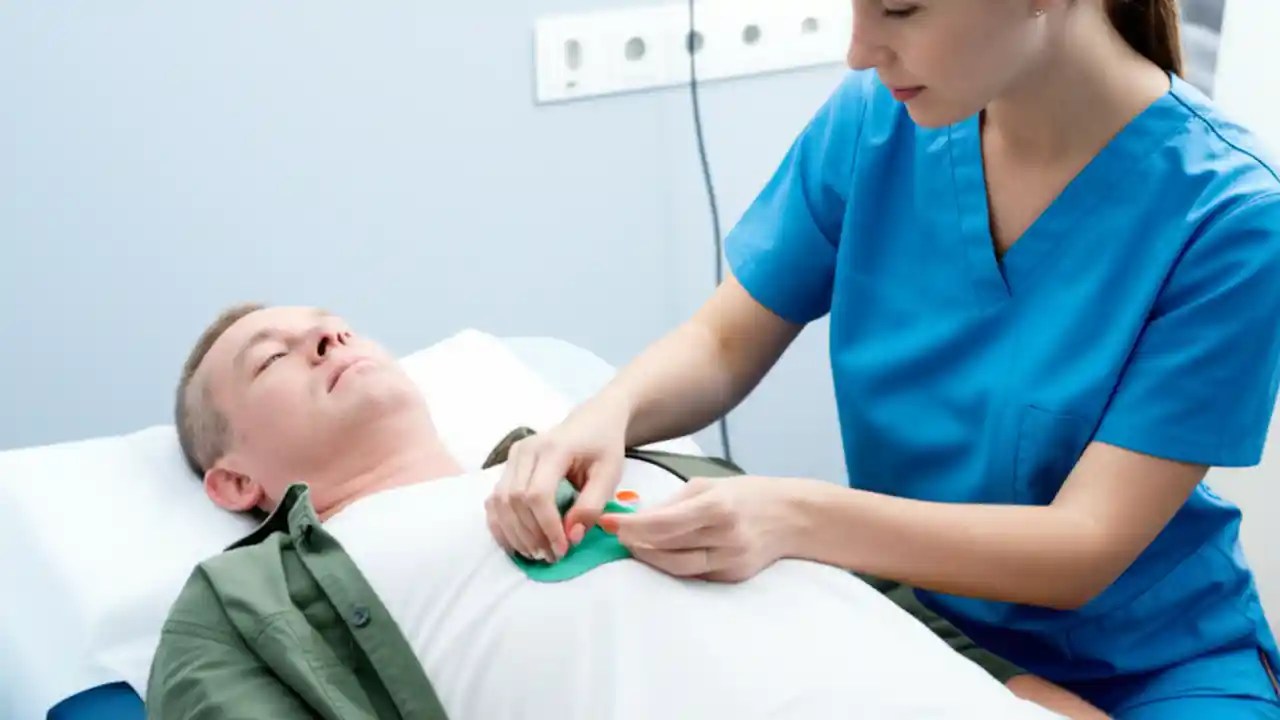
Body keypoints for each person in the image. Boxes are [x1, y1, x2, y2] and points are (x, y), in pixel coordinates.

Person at [485, 1, 1280, 718]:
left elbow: (1082, 546)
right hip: (918, 627)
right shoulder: (875, 123)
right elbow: (723, 344)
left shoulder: (1233, 219)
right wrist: (604, 414)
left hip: (1147, 670)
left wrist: (793, 516)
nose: (859, 50)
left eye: (899, 10)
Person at [146, 303, 1075, 719]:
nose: (325, 334)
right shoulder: (239, 604)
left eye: (334, 325)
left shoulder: (635, 458)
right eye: (272, 357)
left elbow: (935, 637)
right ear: (232, 483)